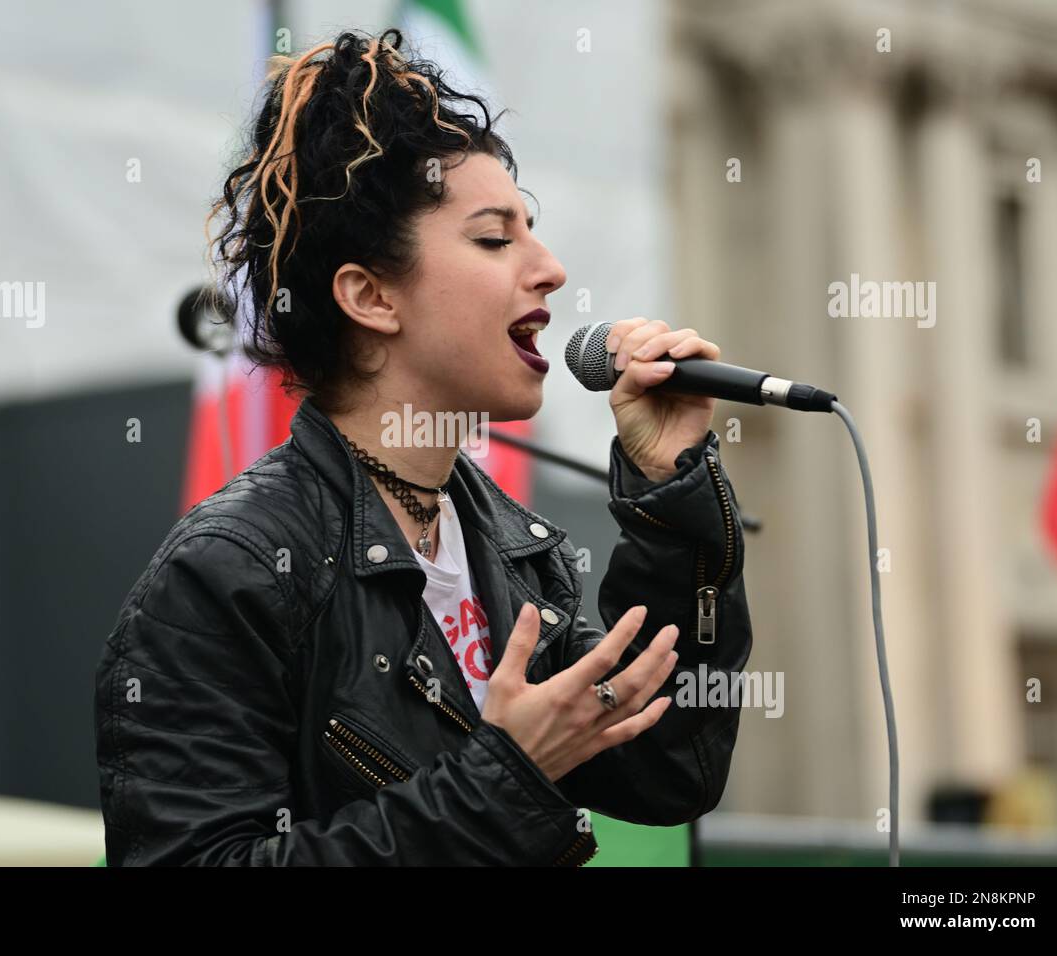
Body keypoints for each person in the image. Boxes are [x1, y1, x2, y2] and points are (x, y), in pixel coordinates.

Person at [94, 27, 752, 866]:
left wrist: (671, 496)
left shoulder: (508, 551)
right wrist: (504, 775)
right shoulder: (231, 572)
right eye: (494, 238)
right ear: (370, 296)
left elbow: (668, 770)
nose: (549, 268)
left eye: (534, 231)